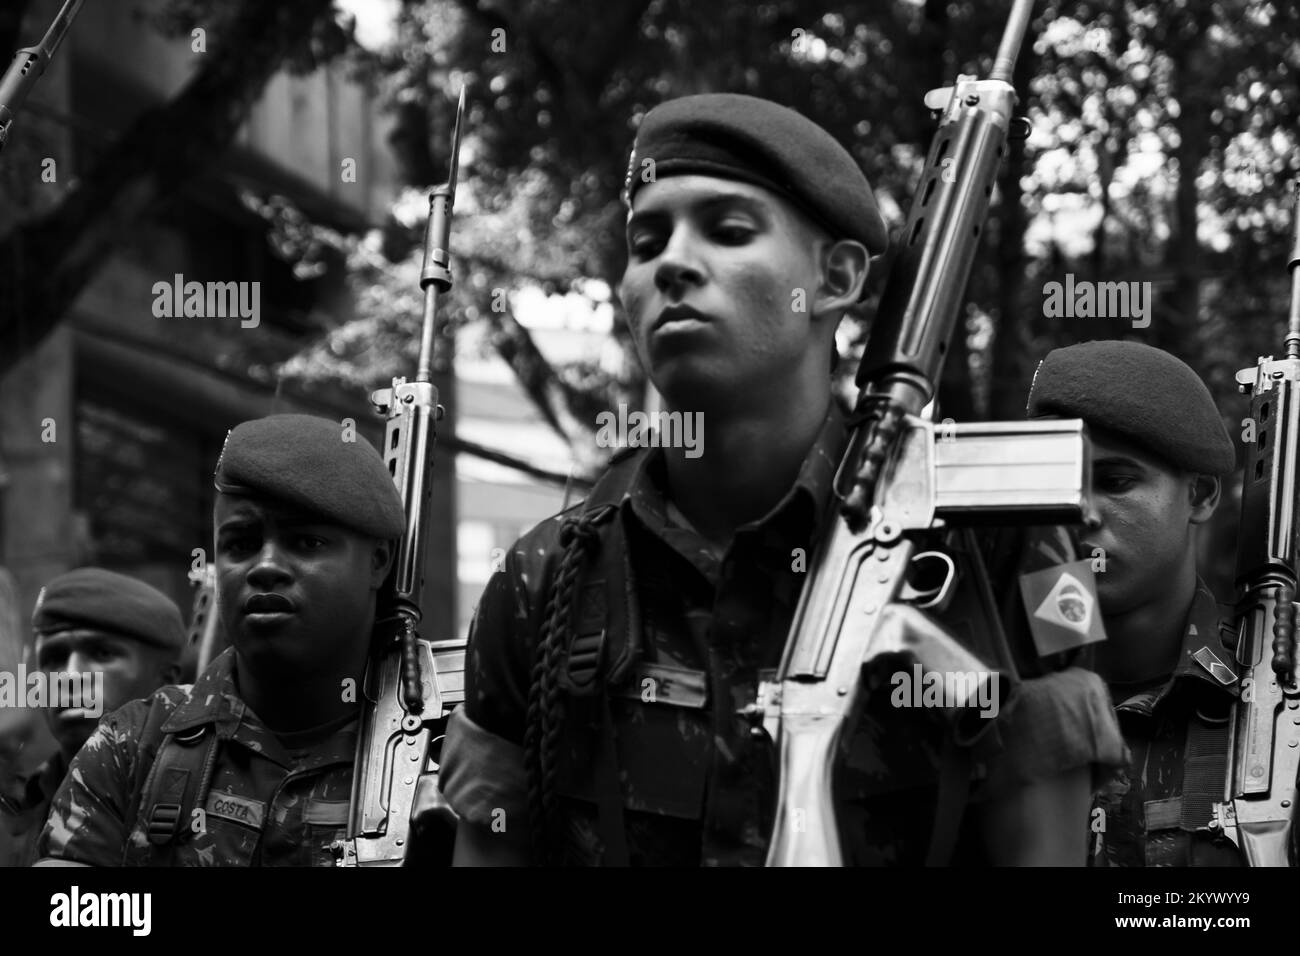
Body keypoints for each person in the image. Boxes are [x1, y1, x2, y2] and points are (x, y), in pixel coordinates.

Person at [439, 93, 1125, 867]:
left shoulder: (1008, 547)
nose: (673, 264)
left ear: (834, 279)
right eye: (646, 241)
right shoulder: (546, 581)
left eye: (729, 231)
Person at [35, 414, 404, 866]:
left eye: (306, 542)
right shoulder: (132, 745)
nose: (265, 565)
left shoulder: (428, 754)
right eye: (241, 543)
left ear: (379, 562)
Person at [1026, 339, 1242, 866]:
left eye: (1116, 482)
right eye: (1058, 483)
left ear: (1200, 495)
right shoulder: (986, 688)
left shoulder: (1273, 694)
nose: (1081, 513)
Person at [1, 568, 184, 866]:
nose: (70, 676)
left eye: (101, 653)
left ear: (166, 680)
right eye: (54, 658)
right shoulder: (16, 808)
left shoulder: (200, 798)